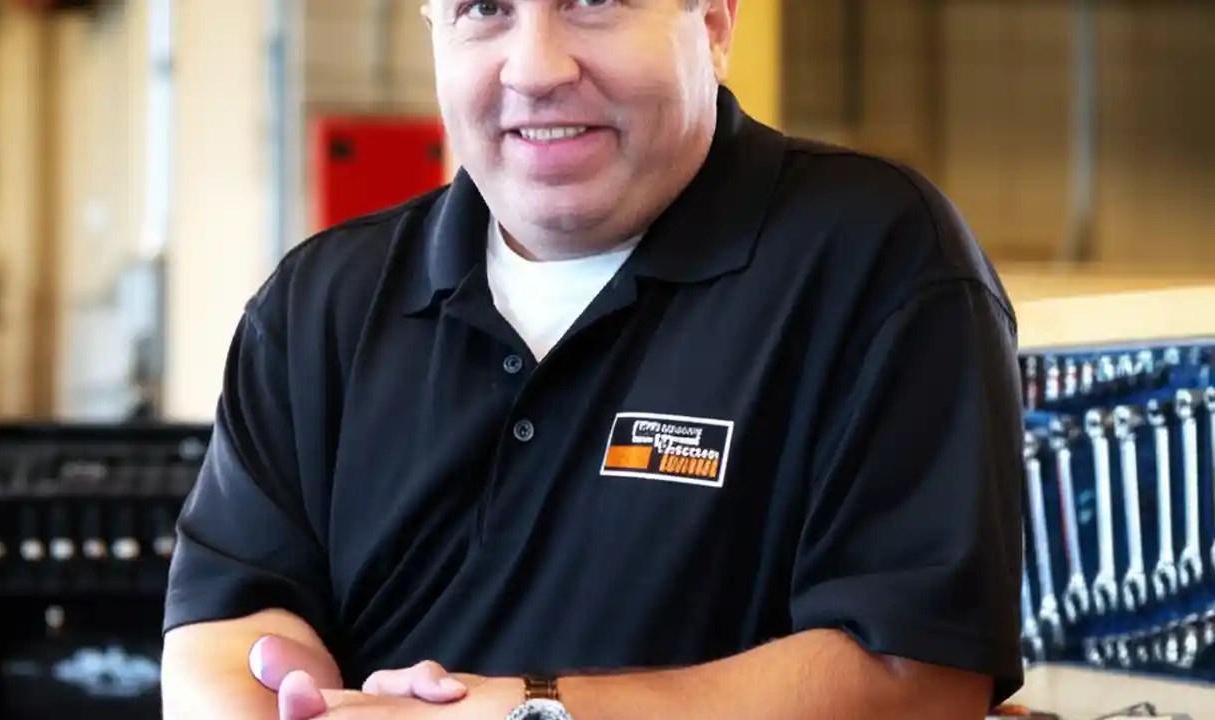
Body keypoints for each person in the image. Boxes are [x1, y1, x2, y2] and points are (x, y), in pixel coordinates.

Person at [160, 0, 1025, 718]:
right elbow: (221, 636)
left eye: (595, 1)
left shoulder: (876, 259)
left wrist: (530, 710)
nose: (535, 68)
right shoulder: (322, 304)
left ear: (716, 20)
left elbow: (919, 681)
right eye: (484, 9)